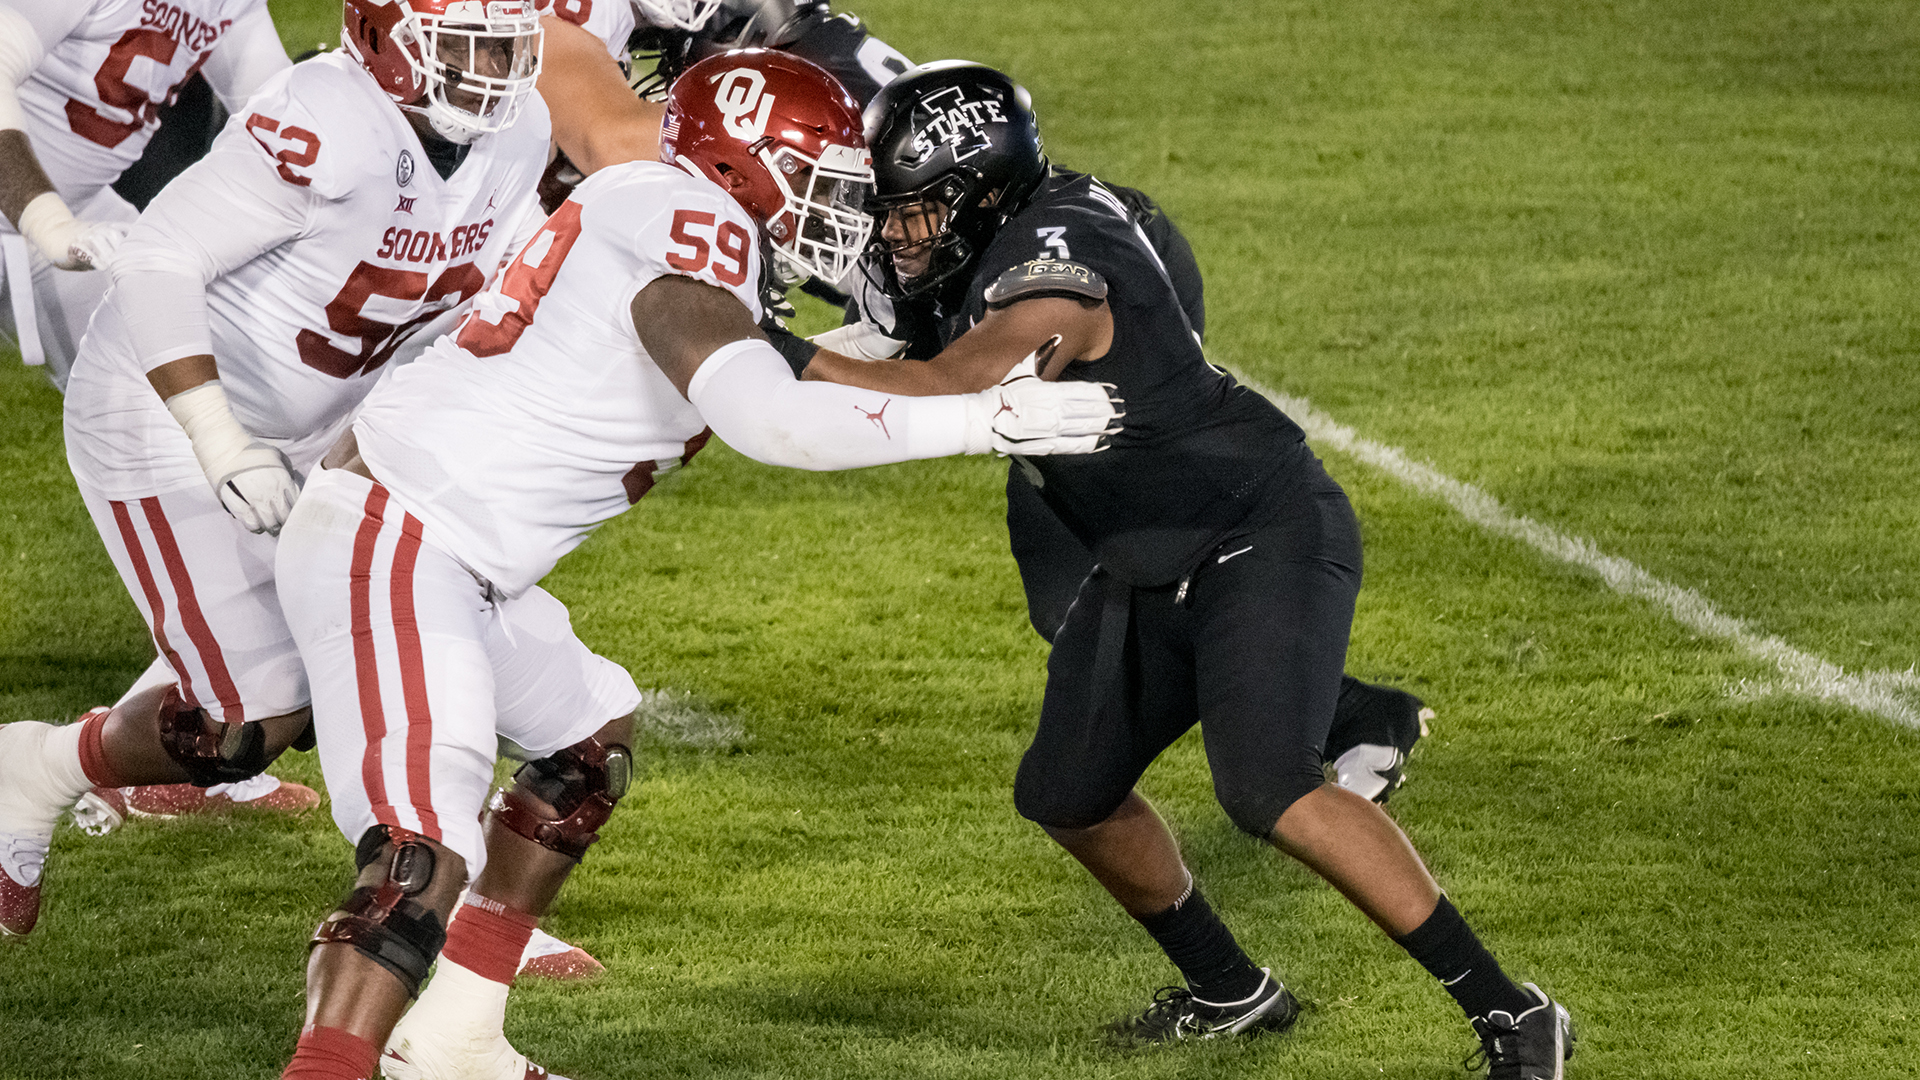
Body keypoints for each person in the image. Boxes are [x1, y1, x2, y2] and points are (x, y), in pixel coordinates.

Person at [265, 49, 1117, 1080]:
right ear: (742, 167)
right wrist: (980, 419)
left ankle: (454, 1038)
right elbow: (767, 414)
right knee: (414, 867)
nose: (840, 208)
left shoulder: (665, 213)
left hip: (449, 545)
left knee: (586, 742)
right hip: (403, 538)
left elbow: (790, 370)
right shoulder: (689, 224)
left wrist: (936, 379)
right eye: (820, 180)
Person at [795, 62, 1574, 1078]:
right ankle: (1231, 991)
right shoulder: (1004, 231)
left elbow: (952, 385)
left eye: (917, 212)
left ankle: (1512, 1014)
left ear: (983, 191)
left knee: (1271, 789)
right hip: (1144, 555)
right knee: (1067, 792)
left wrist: (764, 352)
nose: (897, 235)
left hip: (1259, 528)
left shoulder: (1050, 268)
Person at [638, 0, 1432, 801]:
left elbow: (940, 371)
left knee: (1129, 542)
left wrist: (758, 350)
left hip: (1069, 271)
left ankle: (1282, 704)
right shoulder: (856, 164)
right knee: (1072, 596)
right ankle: (1334, 705)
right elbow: (885, 336)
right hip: (994, 265)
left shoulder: (830, 126)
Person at [0, 0, 564, 940]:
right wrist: (218, 438)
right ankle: (38, 768)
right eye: (470, 46)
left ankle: (448, 899)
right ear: (389, 41)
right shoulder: (323, 122)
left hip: (338, 419)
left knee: (403, 648)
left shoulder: (518, 132)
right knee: (246, 728)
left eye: (510, 44)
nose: (497, 70)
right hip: (166, 412)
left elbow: (513, 285)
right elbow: (157, 263)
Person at [0, 0, 290, 391]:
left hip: (78, 212)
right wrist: (47, 222)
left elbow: (280, 122)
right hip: (40, 206)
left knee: (185, 384)